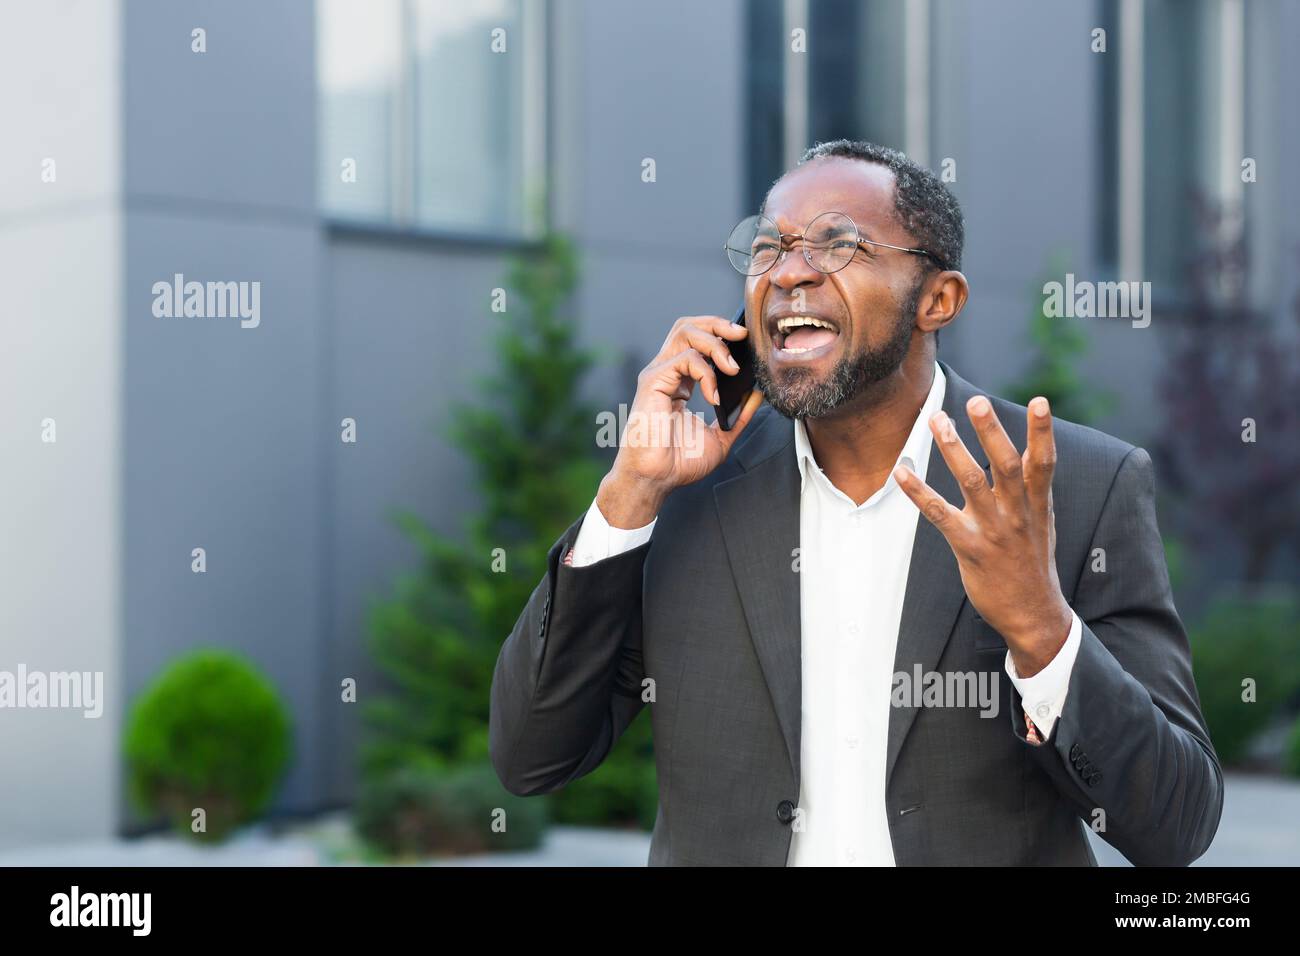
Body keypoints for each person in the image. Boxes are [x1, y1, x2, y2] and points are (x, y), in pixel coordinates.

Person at [489, 140, 1223, 865]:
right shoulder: (687, 490)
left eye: (839, 245)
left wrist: (1041, 629)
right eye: (769, 247)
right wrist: (627, 495)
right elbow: (531, 757)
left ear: (938, 300)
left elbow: (1175, 825)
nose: (790, 272)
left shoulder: (1077, 487)